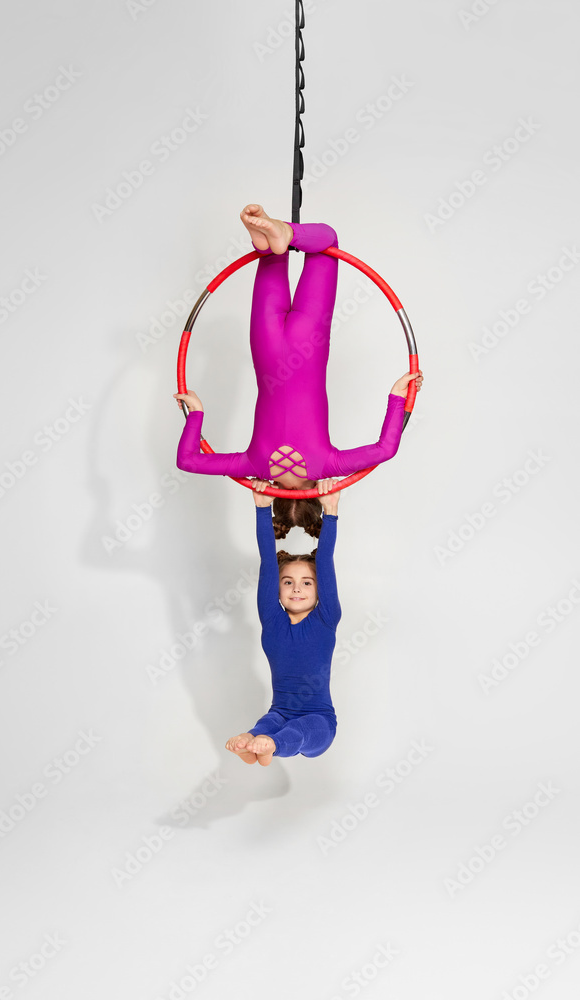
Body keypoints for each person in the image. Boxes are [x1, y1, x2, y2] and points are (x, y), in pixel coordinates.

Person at [174, 205, 423, 518]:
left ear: (317, 495)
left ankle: (283, 234)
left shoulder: (328, 465)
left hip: (309, 341)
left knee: (326, 242)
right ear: (274, 499)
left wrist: (398, 394)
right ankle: (266, 241)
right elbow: (188, 461)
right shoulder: (253, 464)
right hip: (264, 342)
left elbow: (386, 450)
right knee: (272, 255)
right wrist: (196, 412)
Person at [224, 481, 342, 765]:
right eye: (288, 582)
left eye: (307, 583)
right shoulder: (272, 619)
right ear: (277, 589)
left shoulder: (327, 618)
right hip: (279, 712)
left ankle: (267, 747)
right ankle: (254, 745)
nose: (297, 589)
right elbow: (267, 561)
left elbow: (325, 559)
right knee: (266, 725)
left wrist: (332, 511)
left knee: (295, 731)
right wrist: (262, 507)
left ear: (319, 590)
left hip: (319, 721)